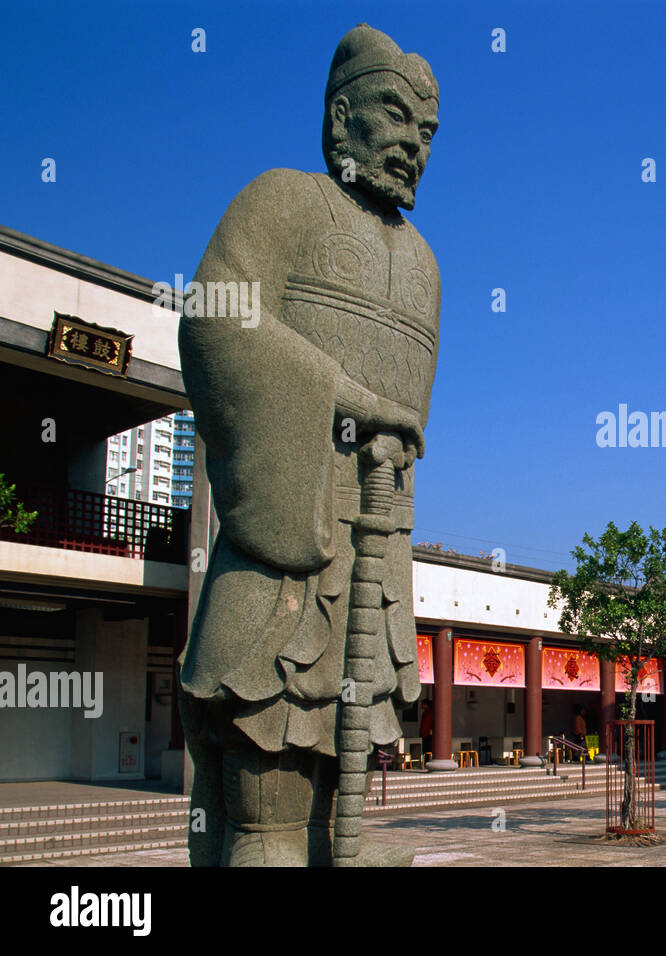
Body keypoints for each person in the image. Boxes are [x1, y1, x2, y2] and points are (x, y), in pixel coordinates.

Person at [178, 24, 441, 866]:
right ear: (340, 120)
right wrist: (350, 400)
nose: (412, 147)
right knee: (269, 809)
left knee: (344, 807)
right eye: (395, 118)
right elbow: (219, 315)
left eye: (427, 133)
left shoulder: (427, 263)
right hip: (292, 547)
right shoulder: (284, 199)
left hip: (375, 562)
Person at [419, 699, 435, 766]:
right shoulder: (425, 713)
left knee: (429, 749)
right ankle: (425, 763)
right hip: (424, 734)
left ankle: (428, 762)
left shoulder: (431, 713)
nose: (422, 706)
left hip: (429, 734)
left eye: (423, 704)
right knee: (425, 750)